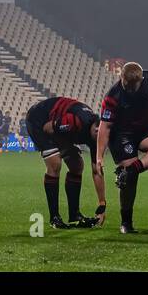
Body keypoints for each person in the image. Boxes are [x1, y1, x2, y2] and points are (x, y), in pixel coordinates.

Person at [96, 62, 148, 234]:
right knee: (130, 182)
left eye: (135, 86)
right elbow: (105, 127)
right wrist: (99, 156)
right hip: (122, 136)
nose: (131, 89)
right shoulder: (112, 96)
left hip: (145, 130)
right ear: (121, 79)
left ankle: (131, 170)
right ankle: (126, 222)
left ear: (141, 79)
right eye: (127, 85)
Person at [26, 96, 107, 228]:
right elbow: (48, 128)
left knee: (77, 165)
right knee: (55, 164)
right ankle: (54, 218)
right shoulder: (76, 120)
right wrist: (66, 146)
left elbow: (96, 171)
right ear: (95, 128)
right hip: (38, 119)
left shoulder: (97, 137)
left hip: (56, 127)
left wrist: (102, 204)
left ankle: (74, 215)